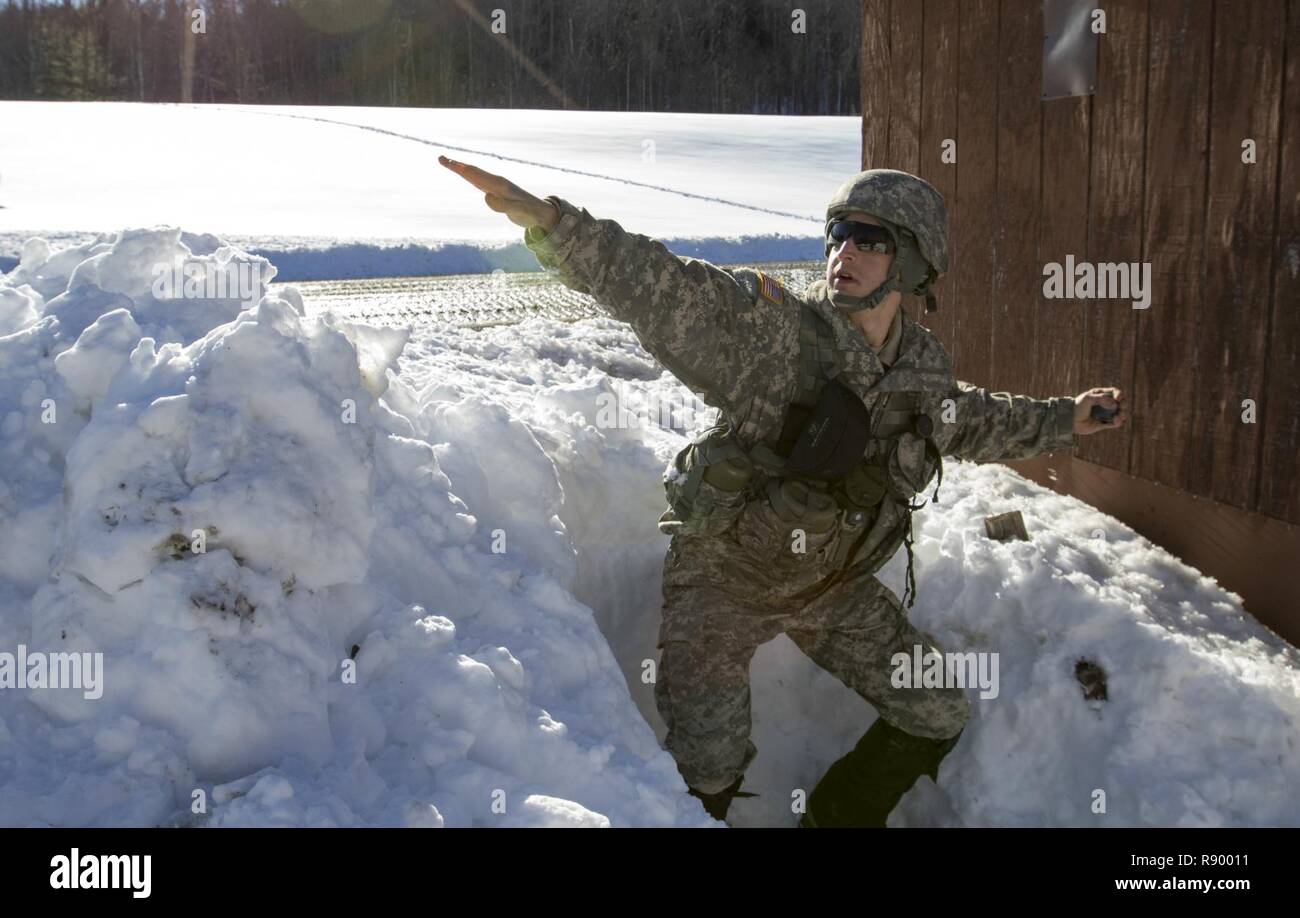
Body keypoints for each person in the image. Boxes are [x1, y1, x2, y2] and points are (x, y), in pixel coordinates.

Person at [441, 155, 1128, 826]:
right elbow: (666, 286)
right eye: (837, 235)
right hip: (723, 582)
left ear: (914, 263)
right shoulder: (776, 336)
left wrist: (1066, 418)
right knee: (705, 770)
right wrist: (555, 225)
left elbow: (975, 419)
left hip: (831, 590)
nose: (843, 252)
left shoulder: (920, 369)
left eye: (869, 239)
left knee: (938, 708)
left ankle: (834, 818)